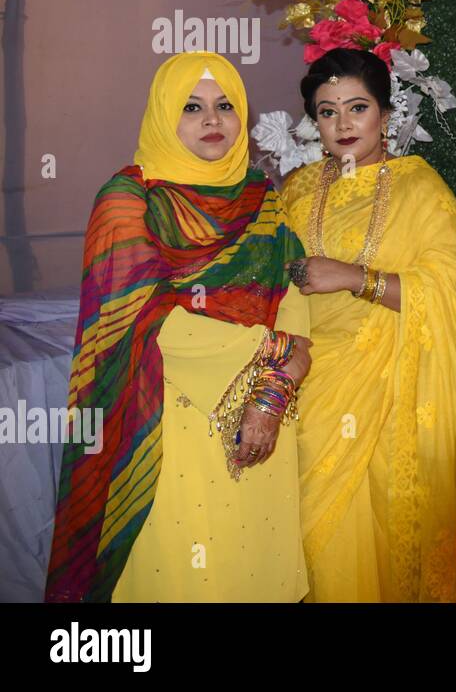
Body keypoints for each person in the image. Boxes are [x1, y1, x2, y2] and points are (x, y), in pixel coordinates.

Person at [45, 51, 312, 602]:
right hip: (165, 419)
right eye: (192, 107)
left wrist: (274, 389)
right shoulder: (129, 201)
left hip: (263, 415)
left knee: (251, 563)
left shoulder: (261, 196)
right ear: (163, 114)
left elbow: (288, 288)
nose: (212, 119)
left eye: (225, 106)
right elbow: (142, 316)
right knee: (182, 570)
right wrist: (276, 351)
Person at [281, 47, 456, 602]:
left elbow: (449, 294)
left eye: (357, 108)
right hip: (304, 389)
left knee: (379, 535)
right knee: (314, 541)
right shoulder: (294, 192)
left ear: (385, 115)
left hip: (389, 395)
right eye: (328, 111)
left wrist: (353, 277)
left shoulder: (421, 189)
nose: (343, 124)